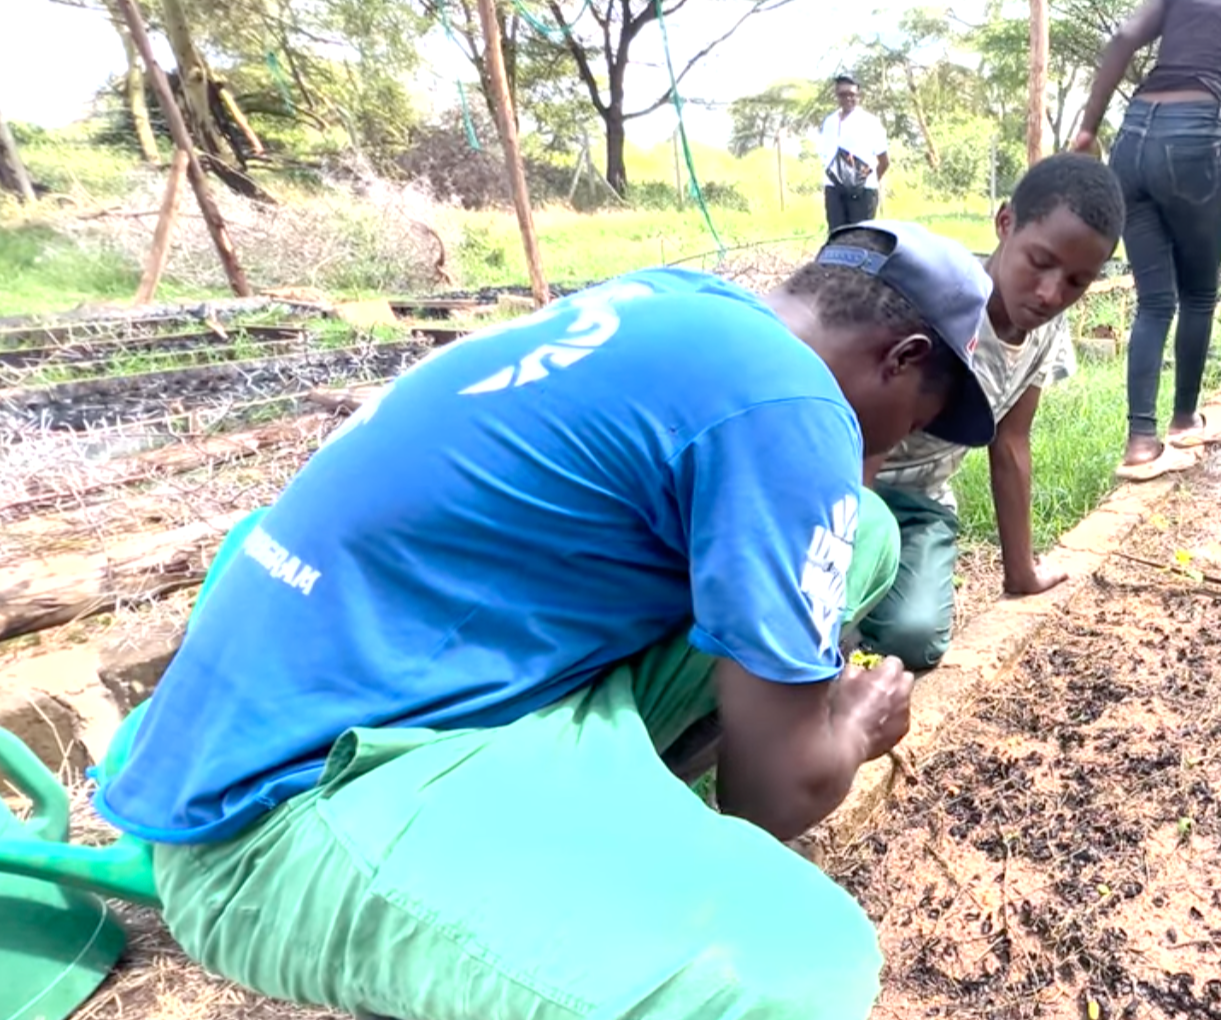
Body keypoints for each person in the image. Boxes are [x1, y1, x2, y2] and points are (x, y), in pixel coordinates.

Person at [92, 221, 996, 1020]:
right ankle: (559, 924)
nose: (882, 450)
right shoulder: (791, 403)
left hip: (391, 697)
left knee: (862, 531)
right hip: (275, 820)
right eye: (907, 424)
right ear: (902, 356)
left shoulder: (669, 305)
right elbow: (773, 795)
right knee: (795, 969)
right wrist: (851, 729)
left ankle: (579, 864)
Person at [858, 153, 1124, 670]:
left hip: (919, 504)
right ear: (1005, 223)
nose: (1050, 294)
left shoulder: (1047, 332)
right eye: (1039, 262)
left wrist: (1021, 572)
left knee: (916, 638)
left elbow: (1011, 442)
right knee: (822, 608)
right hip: (850, 482)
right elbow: (864, 434)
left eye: (1076, 282)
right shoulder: (939, 304)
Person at [1071, 0, 1221, 475]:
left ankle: (1141, 441)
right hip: (1198, 138)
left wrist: (1087, 129)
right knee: (1198, 293)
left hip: (1133, 137)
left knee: (1154, 302)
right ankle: (1183, 420)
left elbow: (1123, 37)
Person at [819, 74, 890, 231]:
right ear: (836, 95)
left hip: (863, 192)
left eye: (852, 94)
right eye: (842, 94)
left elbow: (884, 161)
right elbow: (825, 156)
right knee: (837, 237)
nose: (848, 98)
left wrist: (866, 181)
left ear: (858, 95)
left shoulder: (870, 122)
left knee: (860, 238)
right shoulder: (829, 122)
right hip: (834, 190)